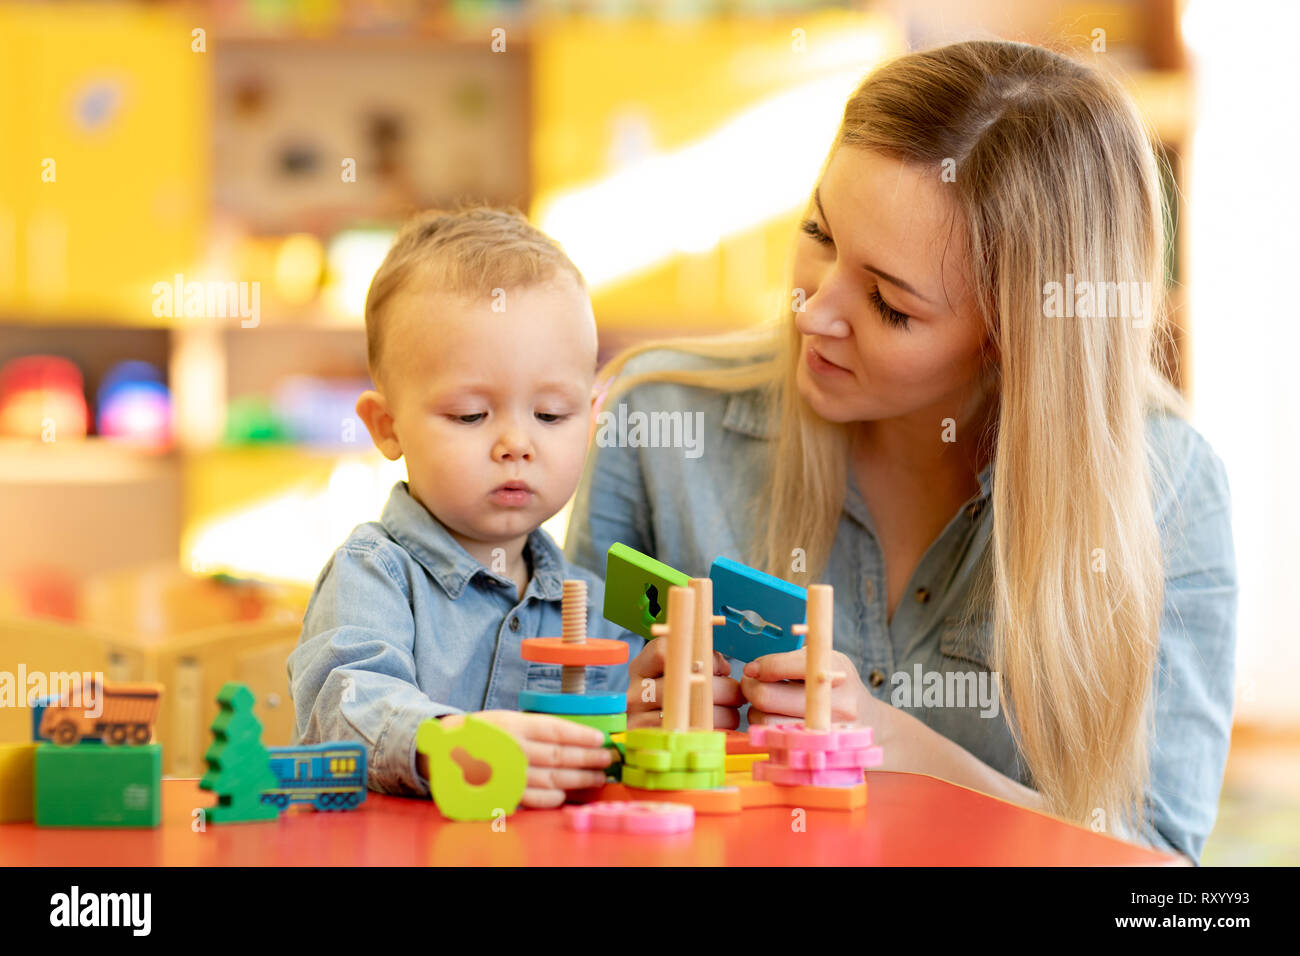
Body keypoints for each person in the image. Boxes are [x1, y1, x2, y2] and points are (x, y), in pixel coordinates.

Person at [565, 40, 1235, 863]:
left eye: (888, 304)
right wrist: (628, 739)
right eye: (819, 232)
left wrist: (899, 751)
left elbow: (1160, 872)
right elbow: (554, 773)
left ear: (1012, 338)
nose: (813, 313)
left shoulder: (1166, 492)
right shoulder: (657, 431)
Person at [290, 207, 643, 807]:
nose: (516, 444)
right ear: (386, 425)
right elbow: (343, 708)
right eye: (471, 416)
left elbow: (621, 752)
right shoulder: (372, 573)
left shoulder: (597, 607)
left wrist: (658, 707)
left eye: (552, 415)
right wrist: (449, 740)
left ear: (590, 421)